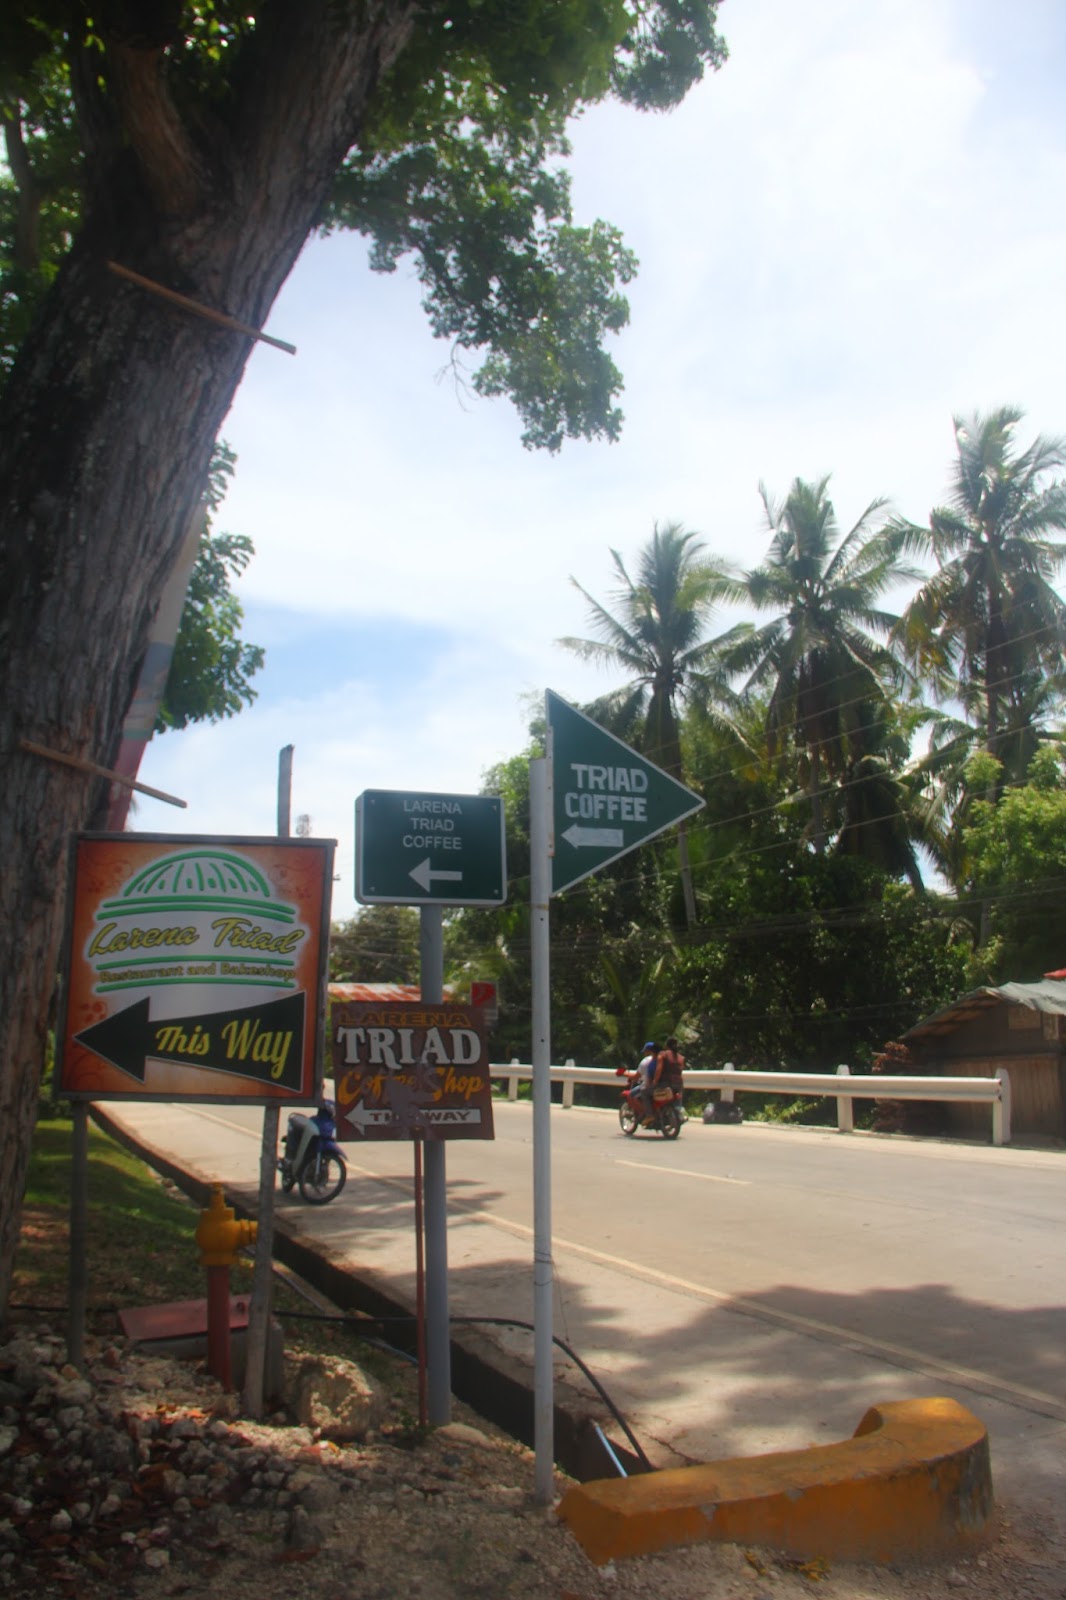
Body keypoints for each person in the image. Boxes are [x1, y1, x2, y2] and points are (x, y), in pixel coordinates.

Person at [651, 1037, 685, 1106]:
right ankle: (678, 1111)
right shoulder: (681, 1058)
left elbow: (658, 1070)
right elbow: (680, 1071)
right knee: (678, 1103)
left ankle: (651, 1114)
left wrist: (654, 1082)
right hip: (679, 1085)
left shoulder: (663, 1054)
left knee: (648, 1093)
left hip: (666, 1083)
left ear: (666, 1045)